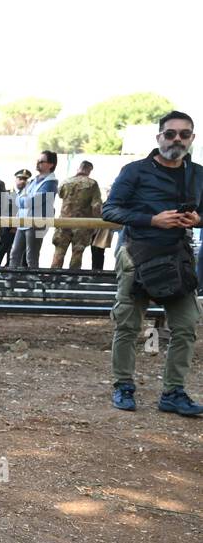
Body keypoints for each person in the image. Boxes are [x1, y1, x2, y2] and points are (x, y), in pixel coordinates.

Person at [104, 110, 203, 417]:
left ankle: (173, 392)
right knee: (128, 325)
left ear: (192, 139)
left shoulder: (198, 174)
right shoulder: (134, 171)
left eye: (184, 134)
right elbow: (110, 210)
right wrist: (152, 219)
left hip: (178, 259)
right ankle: (123, 386)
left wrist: (198, 219)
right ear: (159, 137)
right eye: (170, 133)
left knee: (186, 326)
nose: (177, 139)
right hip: (138, 256)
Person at [10, 151, 59, 268]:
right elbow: (20, 198)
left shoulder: (50, 183)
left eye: (41, 161)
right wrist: (23, 200)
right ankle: (10, 282)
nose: (38, 163)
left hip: (36, 224)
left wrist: (22, 200)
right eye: (37, 161)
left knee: (31, 257)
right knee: (14, 254)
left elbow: (32, 202)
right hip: (23, 222)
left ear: (50, 165)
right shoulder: (33, 181)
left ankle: (32, 283)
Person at [54, 160, 102, 268]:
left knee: (59, 252)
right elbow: (96, 205)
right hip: (82, 224)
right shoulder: (92, 184)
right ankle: (71, 280)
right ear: (89, 170)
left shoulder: (65, 182)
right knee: (77, 253)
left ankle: (54, 279)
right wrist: (96, 223)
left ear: (79, 168)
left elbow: (60, 195)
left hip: (64, 223)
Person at [0, 169, 31, 267]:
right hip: (7, 229)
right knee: (1, 251)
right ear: (16, 179)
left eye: (25, 179)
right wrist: (11, 226)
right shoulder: (7, 193)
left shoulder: (29, 194)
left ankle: (11, 271)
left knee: (19, 254)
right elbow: (2, 210)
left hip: (22, 228)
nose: (22, 181)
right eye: (20, 178)